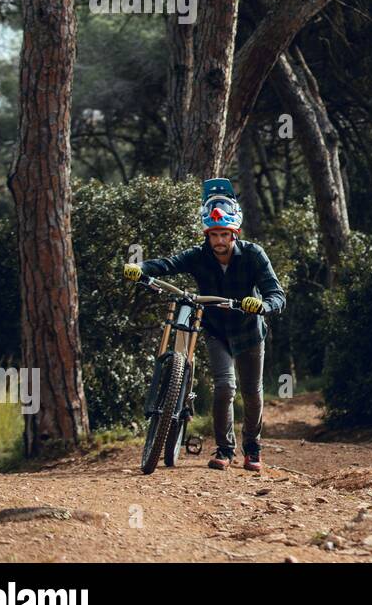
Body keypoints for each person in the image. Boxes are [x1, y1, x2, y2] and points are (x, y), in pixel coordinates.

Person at [122, 178, 285, 472]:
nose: (219, 241)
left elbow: (277, 294)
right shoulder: (199, 255)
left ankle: (253, 449)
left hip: (249, 331)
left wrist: (262, 305)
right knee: (224, 387)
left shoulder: (253, 255)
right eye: (214, 235)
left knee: (251, 391)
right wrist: (141, 268)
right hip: (215, 330)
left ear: (235, 233)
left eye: (225, 234)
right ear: (206, 235)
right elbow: (168, 264)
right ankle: (224, 449)